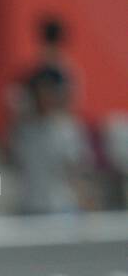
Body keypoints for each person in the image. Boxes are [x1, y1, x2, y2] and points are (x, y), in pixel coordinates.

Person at [9, 72, 93, 215]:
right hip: (29, 205)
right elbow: (11, 163)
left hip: (62, 205)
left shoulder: (68, 128)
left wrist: (86, 201)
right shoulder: (22, 131)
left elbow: (77, 169)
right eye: (38, 93)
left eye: (48, 93)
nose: (43, 98)